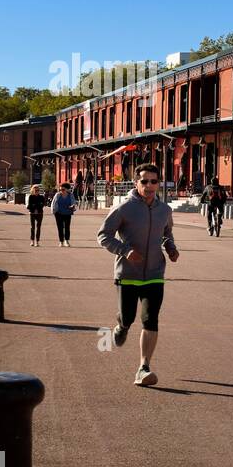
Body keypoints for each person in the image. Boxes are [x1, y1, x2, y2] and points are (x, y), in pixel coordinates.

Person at [96, 163, 180, 387]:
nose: (149, 185)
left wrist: (170, 247)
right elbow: (103, 235)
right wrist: (125, 251)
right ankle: (121, 325)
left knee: (150, 319)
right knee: (128, 317)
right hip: (128, 273)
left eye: (154, 181)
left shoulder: (165, 210)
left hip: (155, 273)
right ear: (136, 183)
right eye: (144, 181)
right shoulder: (124, 208)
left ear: (158, 183)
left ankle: (143, 368)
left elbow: (166, 233)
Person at [51, 182, 77, 246]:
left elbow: (73, 203)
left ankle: (66, 241)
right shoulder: (57, 195)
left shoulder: (70, 195)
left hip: (67, 213)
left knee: (67, 227)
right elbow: (53, 203)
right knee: (60, 227)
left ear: (67, 189)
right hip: (58, 213)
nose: (61, 191)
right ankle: (61, 241)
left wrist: (72, 206)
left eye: (63, 189)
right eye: (60, 189)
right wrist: (53, 211)